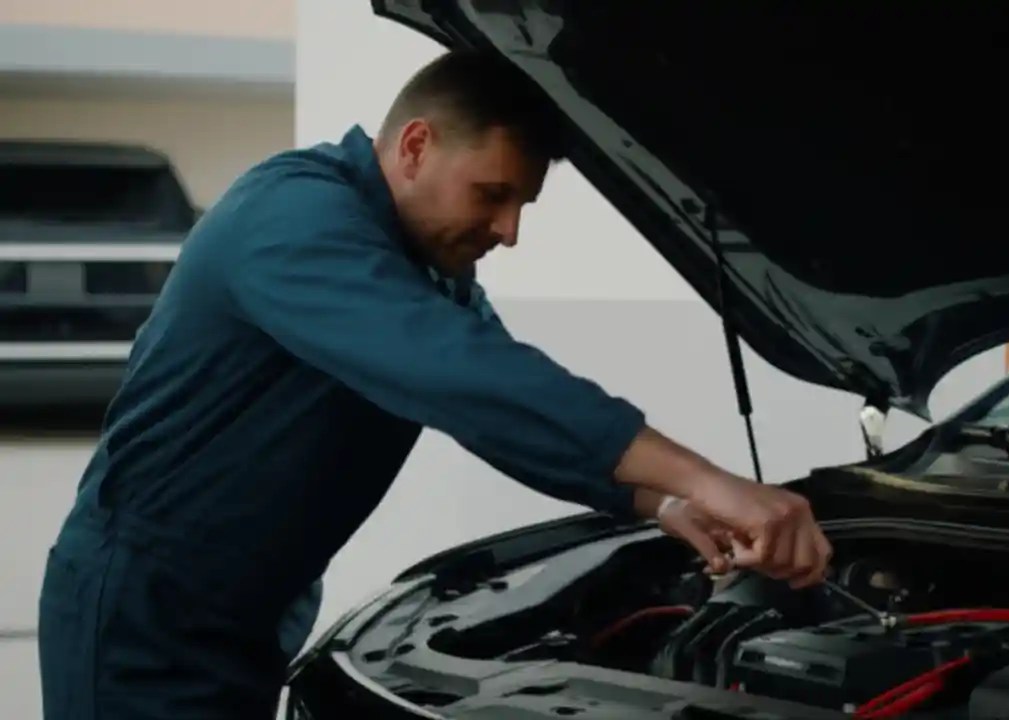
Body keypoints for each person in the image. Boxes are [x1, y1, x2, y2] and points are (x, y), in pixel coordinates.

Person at [36, 49, 833, 720]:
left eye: (523, 203)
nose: (510, 231)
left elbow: (501, 411)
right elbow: (468, 378)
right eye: (493, 194)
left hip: (250, 613)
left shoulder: (422, 267)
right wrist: (709, 478)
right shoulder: (290, 220)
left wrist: (660, 503)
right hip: (145, 620)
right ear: (415, 146)